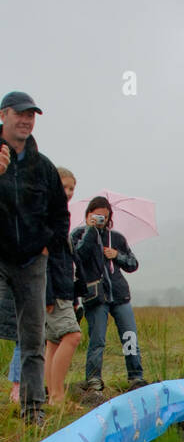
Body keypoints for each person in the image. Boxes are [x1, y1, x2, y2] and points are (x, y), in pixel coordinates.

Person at [0, 90, 69, 424]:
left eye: (32, 115)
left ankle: (33, 411)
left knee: (32, 338)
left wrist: (48, 246)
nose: (27, 120)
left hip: (32, 263)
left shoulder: (43, 168)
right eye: (20, 114)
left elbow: (60, 214)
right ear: (4, 115)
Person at [71, 196, 146, 394]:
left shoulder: (117, 238)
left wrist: (116, 255)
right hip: (95, 296)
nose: (100, 219)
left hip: (120, 294)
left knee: (129, 336)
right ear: (88, 215)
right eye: (96, 215)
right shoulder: (78, 234)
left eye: (104, 216)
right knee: (97, 340)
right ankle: (94, 379)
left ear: (109, 217)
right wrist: (90, 231)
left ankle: (135, 376)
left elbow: (133, 264)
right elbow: (78, 257)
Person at [44, 167, 84, 404]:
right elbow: (44, 257)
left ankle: (51, 394)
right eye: (64, 186)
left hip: (63, 288)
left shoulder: (57, 212)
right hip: (54, 289)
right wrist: (47, 295)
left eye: (72, 189)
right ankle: (57, 395)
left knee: (53, 342)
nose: (68, 192)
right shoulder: (48, 214)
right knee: (72, 336)